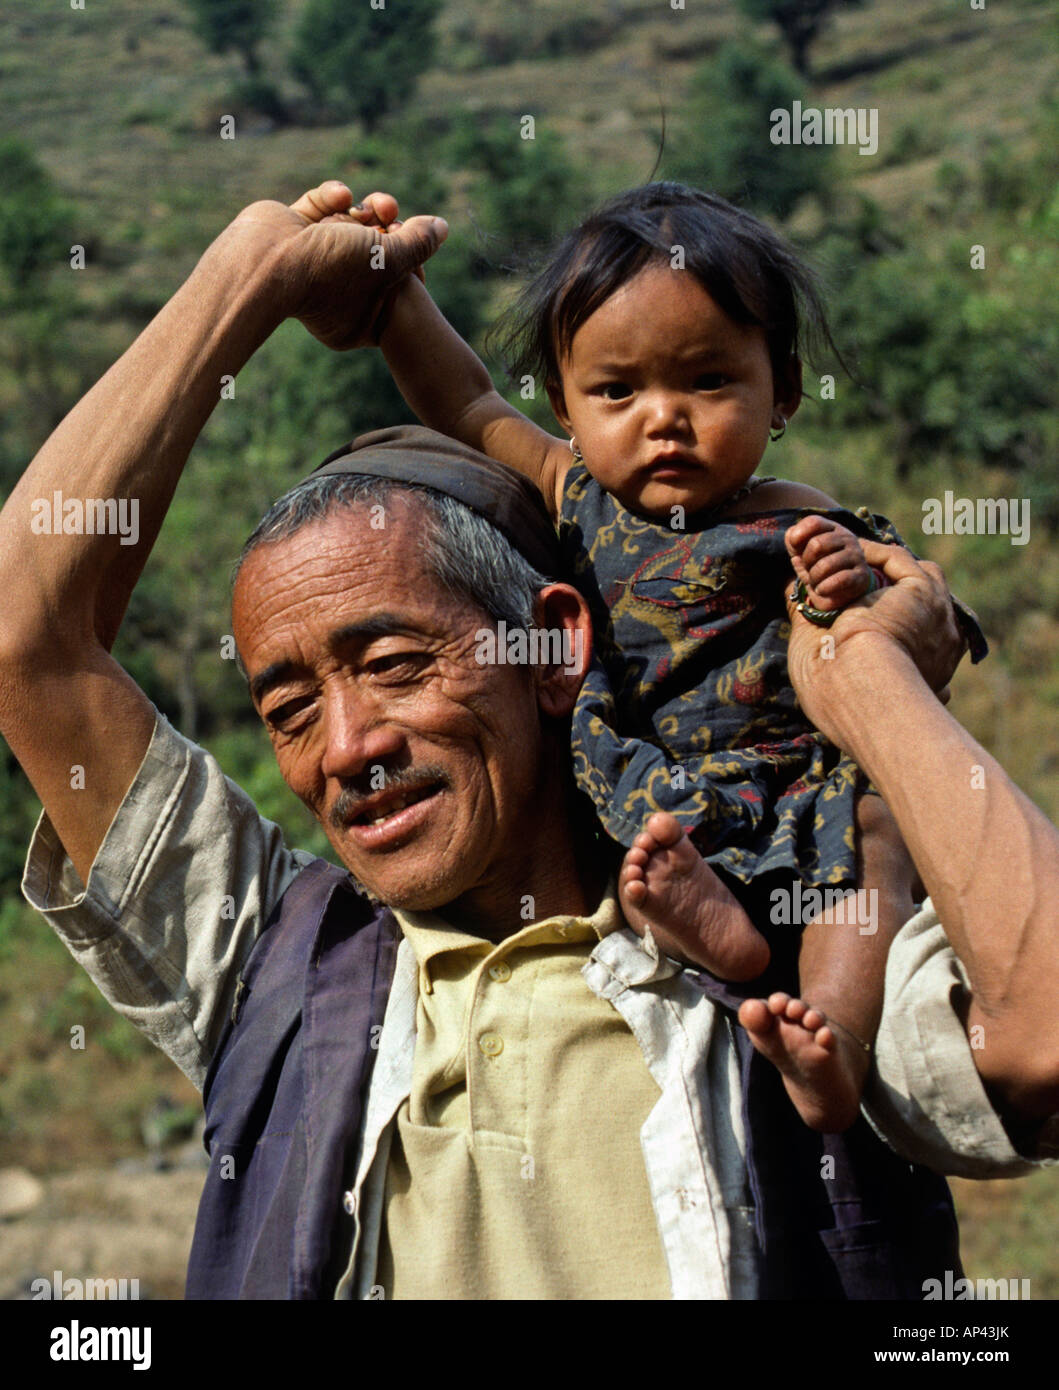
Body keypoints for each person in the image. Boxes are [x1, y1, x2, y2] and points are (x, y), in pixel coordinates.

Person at [1, 181, 1057, 1302]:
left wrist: (871, 683)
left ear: (554, 648)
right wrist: (248, 274)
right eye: (289, 710)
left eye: (398, 663)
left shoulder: (770, 947)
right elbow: (27, 642)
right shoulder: (269, 969)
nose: (348, 745)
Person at [374, 180, 987, 1132]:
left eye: (707, 382)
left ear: (780, 389)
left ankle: (827, 1047)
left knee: (876, 840)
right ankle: (717, 937)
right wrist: (389, 290)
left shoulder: (794, 515)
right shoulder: (572, 489)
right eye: (617, 390)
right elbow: (463, 396)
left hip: (794, 786)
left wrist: (841, 583)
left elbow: (895, 620)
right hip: (648, 787)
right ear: (566, 405)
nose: (663, 417)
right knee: (634, 850)